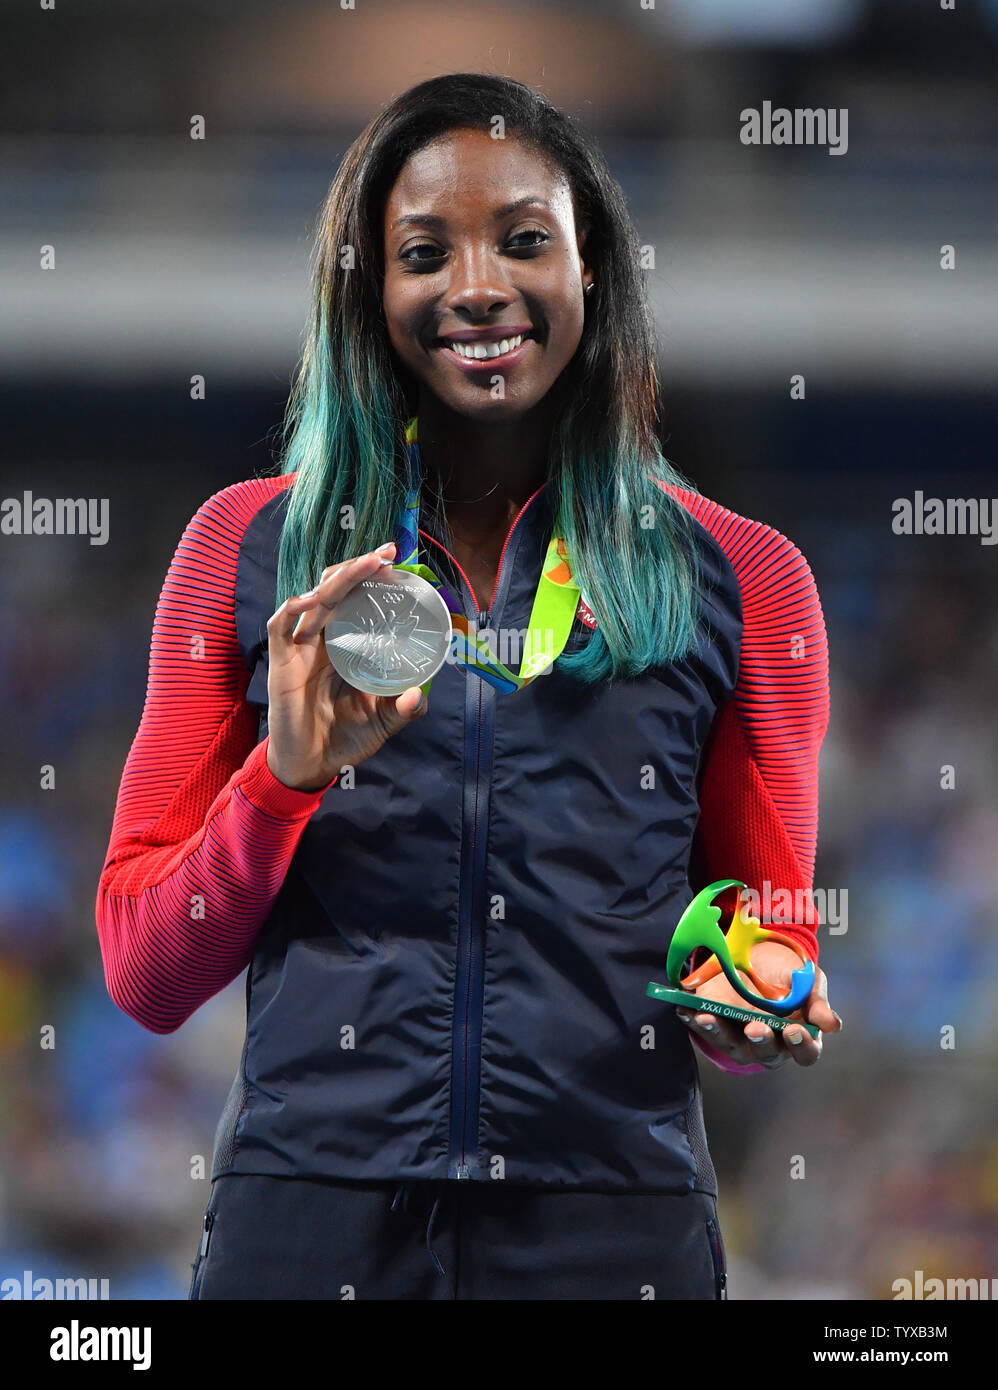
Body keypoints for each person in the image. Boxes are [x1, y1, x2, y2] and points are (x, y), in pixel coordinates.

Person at [95, 72, 841, 1301]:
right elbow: (143, 975)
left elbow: (769, 942)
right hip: (308, 1217)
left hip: (613, 1222)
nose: (477, 286)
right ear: (367, 288)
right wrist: (279, 786)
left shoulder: (744, 579)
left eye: (524, 241)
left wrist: (756, 1001)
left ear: (591, 267)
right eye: (424, 251)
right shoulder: (248, 553)